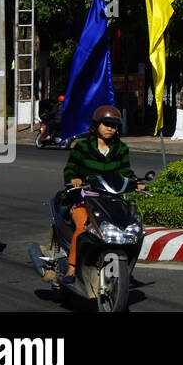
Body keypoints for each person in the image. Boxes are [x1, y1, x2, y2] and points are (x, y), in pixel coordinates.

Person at [59, 104, 140, 287]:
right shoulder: (82, 147)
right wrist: (74, 178)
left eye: (114, 125)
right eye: (106, 124)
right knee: (83, 227)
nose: (110, 128)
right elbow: (70, 168)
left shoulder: (121, 148)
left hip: (110, 199)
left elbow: (126, 171)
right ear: (97, 125)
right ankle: (71, 268)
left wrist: (134, 182)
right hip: (83, 198)